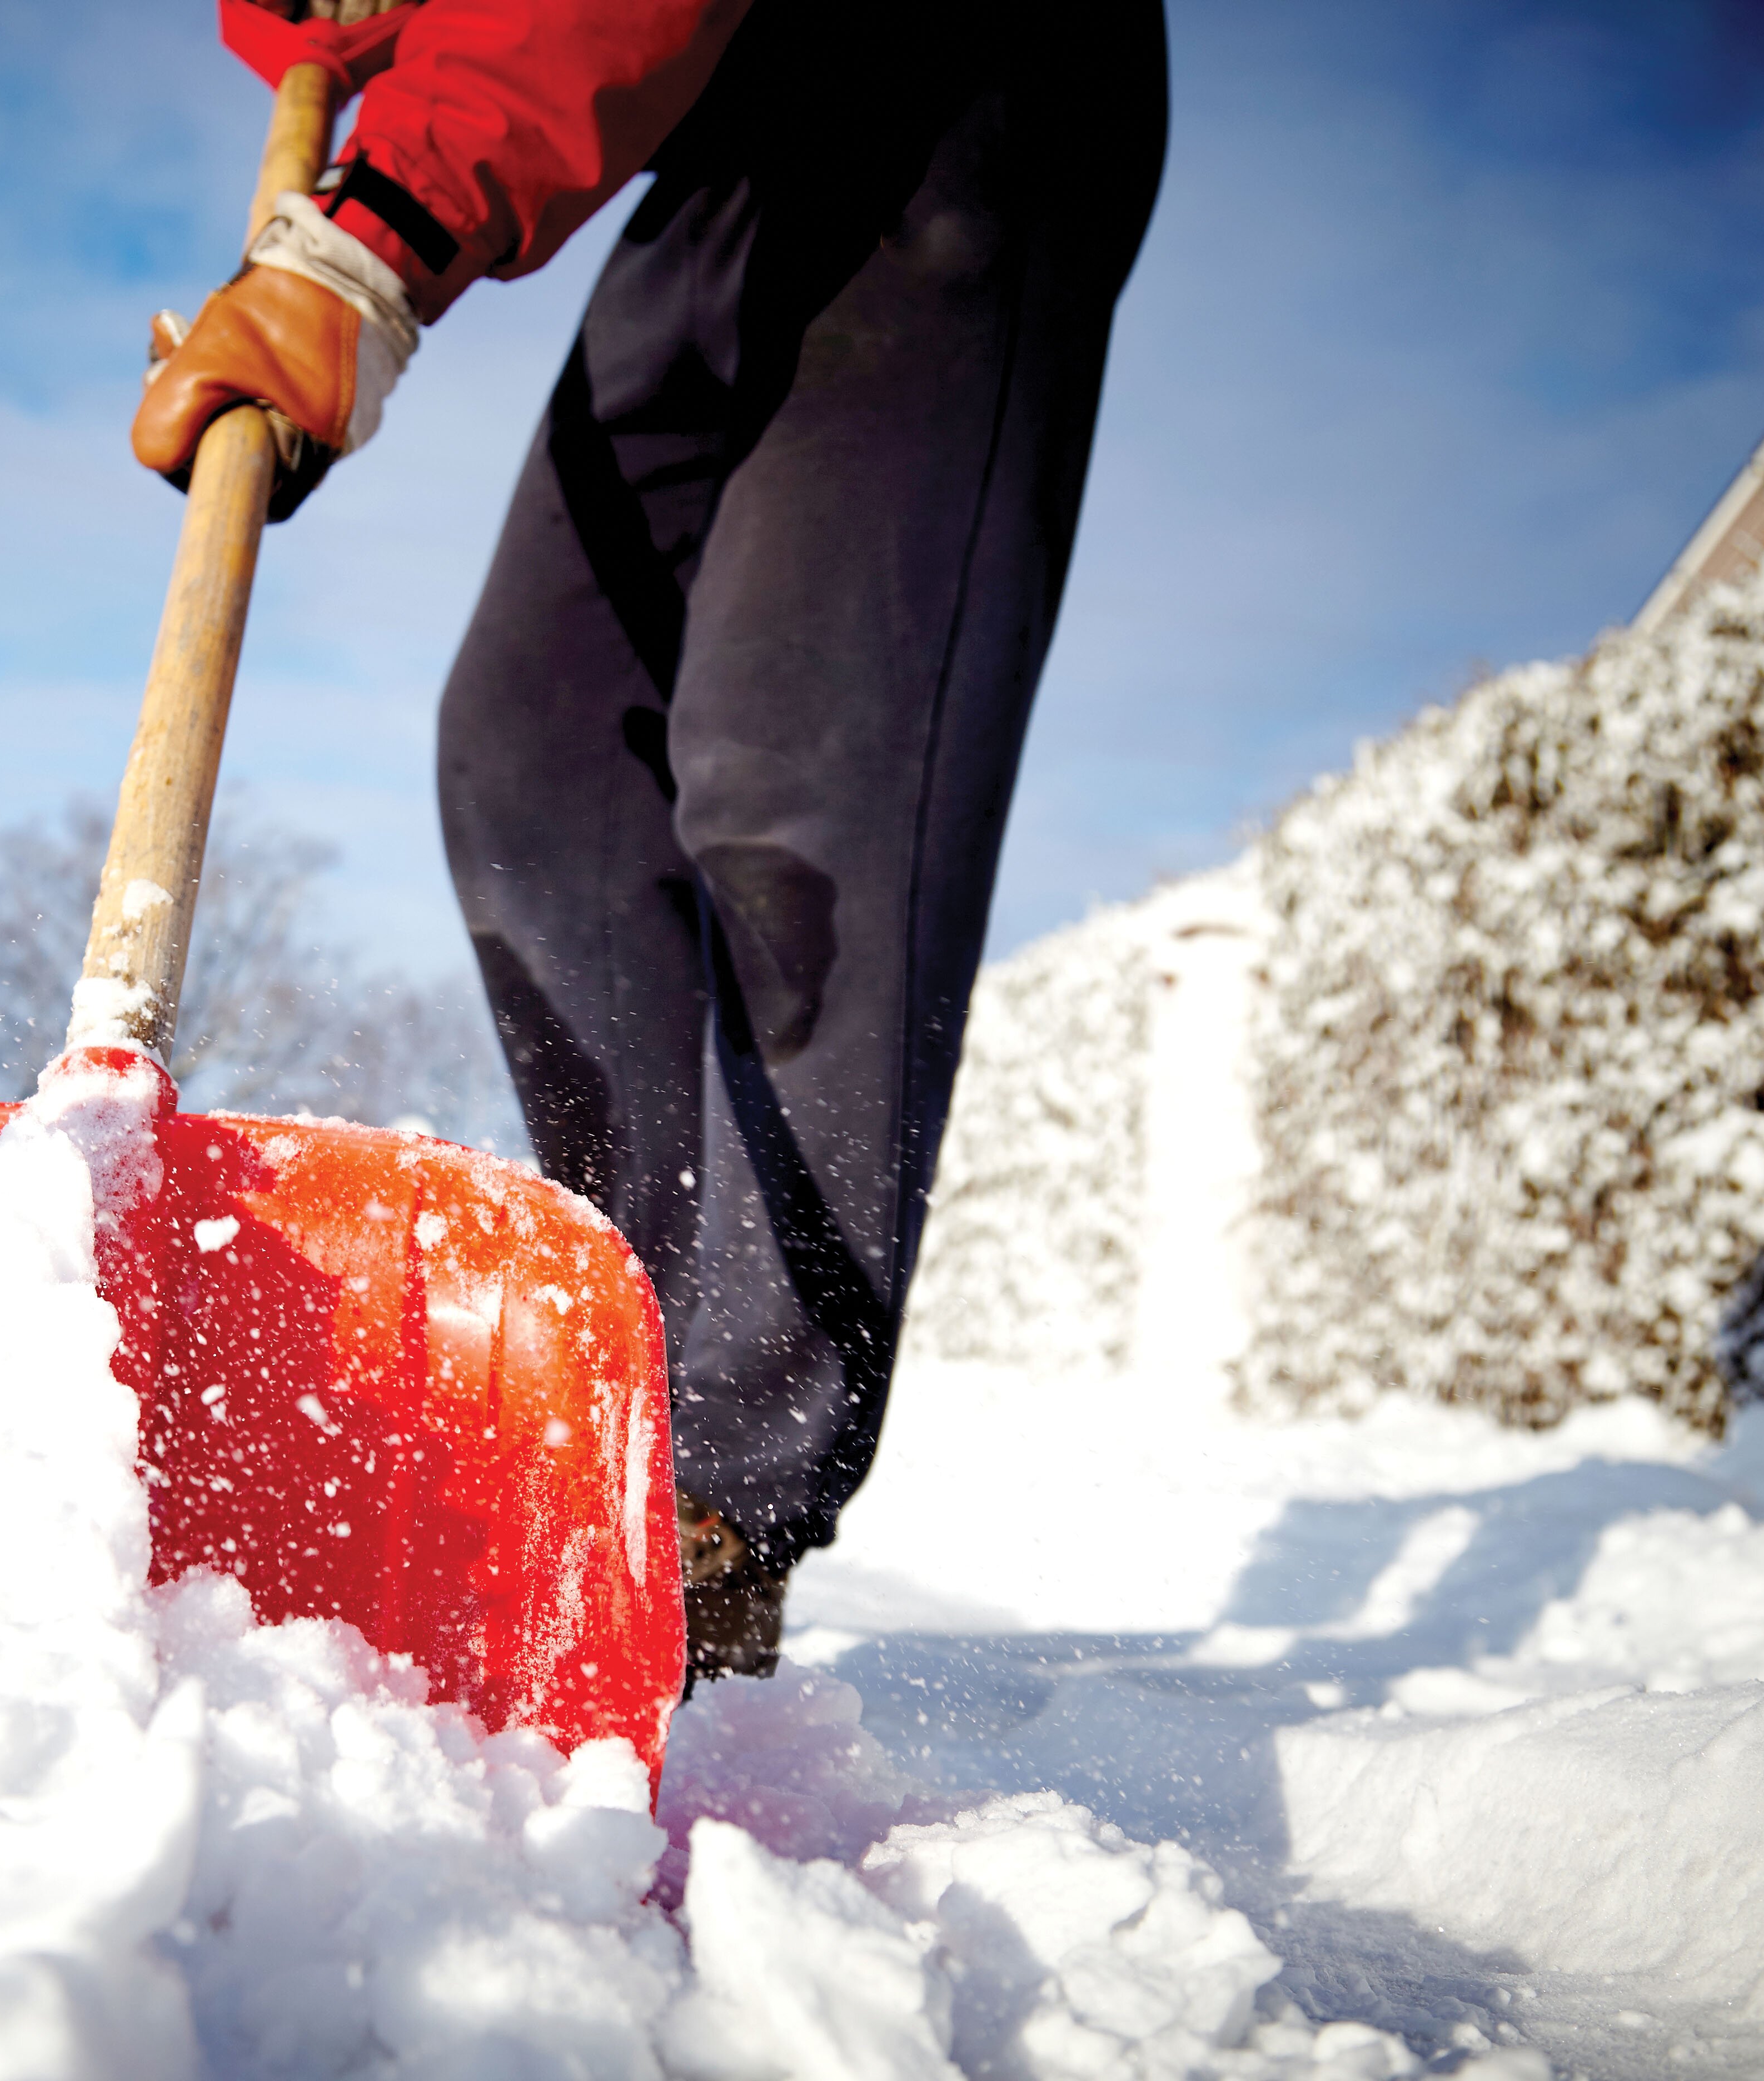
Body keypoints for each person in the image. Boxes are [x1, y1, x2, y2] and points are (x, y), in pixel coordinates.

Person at [135, 0, 1168, 1686]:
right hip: (738, 136)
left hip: (966, 82)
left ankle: (723, 1494)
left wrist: (373, 246)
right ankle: (621, 1385)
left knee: (793, 773)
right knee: (531, 746)